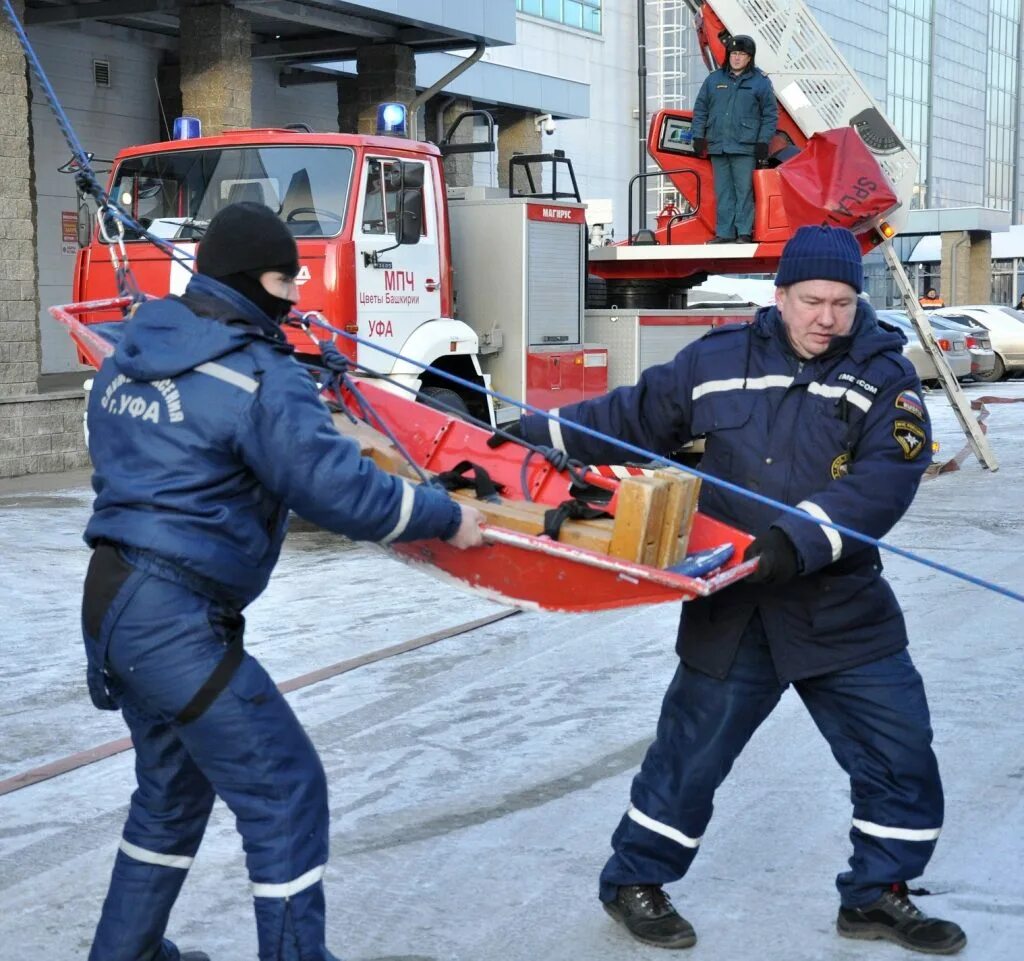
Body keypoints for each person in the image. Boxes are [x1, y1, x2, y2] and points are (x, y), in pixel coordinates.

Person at [508, 225, 965, 955]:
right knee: (689, 755)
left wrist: (804, 538)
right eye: (812, 300)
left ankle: (878, 893)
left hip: (839, 604)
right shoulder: (718, 358)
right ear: (779, 296)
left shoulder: (885, 377)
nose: (827, 317)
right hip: (737, 601)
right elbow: (629, 420)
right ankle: (635, 881)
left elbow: (886, 480)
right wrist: (528, 433)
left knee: (900, 751)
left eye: (842, 303)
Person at [80, 200, 484, 961]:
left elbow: (168, 454)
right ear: (245, 277)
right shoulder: (259, 371)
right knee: (286, 791)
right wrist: (440, 514)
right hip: (174, 621)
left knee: (170, 796)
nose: (297, 295)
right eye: (283, 277)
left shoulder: (130, 349)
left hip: (111, 602)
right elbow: (337, 493)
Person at [691, 35, 778, 245]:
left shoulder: (761, 82)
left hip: (745, 146)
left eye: (742, 54)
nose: (737, 58)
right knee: (723, 192)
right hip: (718, 145)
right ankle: (725, 233)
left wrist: (763, 142)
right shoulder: (713, 80)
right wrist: (698, 136)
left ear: (750, 58)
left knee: (744, 191)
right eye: (734, 54)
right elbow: (700, 109)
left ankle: (744, 233)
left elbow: (770, 115)